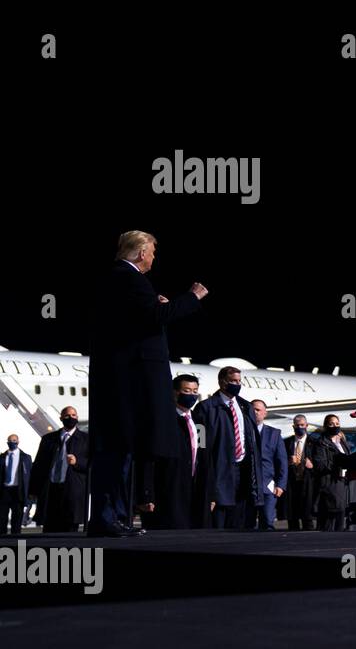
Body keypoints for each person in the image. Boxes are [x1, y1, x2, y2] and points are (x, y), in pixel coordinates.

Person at [87, 230, 207, 537]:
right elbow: (156, 317)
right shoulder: (128, 278)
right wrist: (191, 297)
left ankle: (111, 518)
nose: (153, 259)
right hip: (128, 383)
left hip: (120, 382)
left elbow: (139, 318)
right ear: (141, 253)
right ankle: (107, 518)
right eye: (152, 253)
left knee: (119, 449)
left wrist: (153, 305)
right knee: (118, 450)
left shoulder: (116, 280)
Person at [133, 375, 207, 529]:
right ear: (174, 393)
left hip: (193, 490)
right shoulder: (162, 421)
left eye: (195, 391)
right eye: (187, 391)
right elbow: (148, 459)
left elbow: (204, 457)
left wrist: (210, 494)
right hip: (166, 490)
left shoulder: (199, 422)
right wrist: (147, 494)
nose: (192, 395)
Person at [193, 366, 260, 529]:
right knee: (218, 521)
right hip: (218, 470)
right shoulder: (205, 407)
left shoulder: (245, 407)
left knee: (238, 520)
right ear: (222, 382)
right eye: (233, 381)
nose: (237, 384)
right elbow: (200, 443)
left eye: (239, 381)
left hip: (243, 471)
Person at [28, 407, 90, 532]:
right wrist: (33, 490)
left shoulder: (86, 439)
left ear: (77, 417)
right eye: (67, 416)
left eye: (74, 415)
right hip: (51, 490)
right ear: (61, 418)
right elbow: (39, 465)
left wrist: (78, 462)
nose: (71, 418)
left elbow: (92, 464)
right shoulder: (48, 439)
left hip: (72, 491)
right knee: (49, 529)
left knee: (69, 532)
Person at [251, 400, 288, 532]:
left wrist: (281, 485)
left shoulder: (274, 434)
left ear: (265, 413)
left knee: (267, 522)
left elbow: (282, 461)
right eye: (253, 409)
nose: (255, 412)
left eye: (258, 410)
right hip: (247, 486)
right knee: (246, 524)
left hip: (268, 486)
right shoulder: (242, 433)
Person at [310, 415, 351, 530]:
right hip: (329, 487)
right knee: (329, 524)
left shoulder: (342, 441)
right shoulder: (321, 443)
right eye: (331, 424)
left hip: (343, 484)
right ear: (326, 426)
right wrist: (337, 464)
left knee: (340, 521)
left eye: (337, 423)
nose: (335, 426)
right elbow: (320, 464)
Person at [282, 415, 315, 530]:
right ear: (293, 426)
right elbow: (279, 463)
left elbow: (321, 464)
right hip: (292, 484)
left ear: (307, 426)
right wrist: (288, 462)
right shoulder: (286, 443)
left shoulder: (314, 442)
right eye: (297, 425)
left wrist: (312, 466)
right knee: (292, 518)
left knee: (307, 519)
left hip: (308, 484)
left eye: (302, 425)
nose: (299, 427)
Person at [3, 435, 32, 535]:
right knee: (2, 518)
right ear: (7, 442)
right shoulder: (2, 457)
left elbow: (29, 475)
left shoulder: (25, 458)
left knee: (17, 518)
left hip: (18, 490)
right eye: (10, 441)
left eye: (14, 441)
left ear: (18, 441)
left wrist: (29, 494)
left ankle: (15, 539)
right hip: (4, 491)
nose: (12, 442)